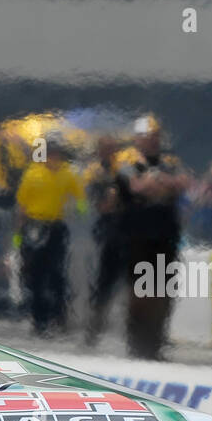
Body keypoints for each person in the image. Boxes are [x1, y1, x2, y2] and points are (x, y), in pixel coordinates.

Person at [113, 115, 189, 359]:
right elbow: (136, 187)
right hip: (138, 235)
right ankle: (137, 343)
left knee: (164, 290)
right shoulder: (127, 161)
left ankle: (156, 342)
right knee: (140, 291)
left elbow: (183, 182)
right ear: (138, 139)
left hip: (165, 234)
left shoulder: (170, 161)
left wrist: (158, 182)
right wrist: (160, 185)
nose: (154, 141)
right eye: (148, 137)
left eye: (156, 136)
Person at [14, 134, 83, 335]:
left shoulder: (67, 173)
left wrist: (80, 212)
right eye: (50, 153)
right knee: (36, 275)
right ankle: (39, 320)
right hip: (35, 226)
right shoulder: (33, 174)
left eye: (56, 153)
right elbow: (21, 206)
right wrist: (18, 235)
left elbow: (79, 197)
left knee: (57, 274)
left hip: (56, 226)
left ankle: (59, 316)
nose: (53, 157)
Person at [82, 135, 126, 343]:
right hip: (108, 232)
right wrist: (113, 197)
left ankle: (134, 329)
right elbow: (100, 205)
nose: (111, 153)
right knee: (105, 283)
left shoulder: (125, 168)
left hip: (129, 230)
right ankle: (94, 328)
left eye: (113, 148)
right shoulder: (95, 173)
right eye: (107, 149)